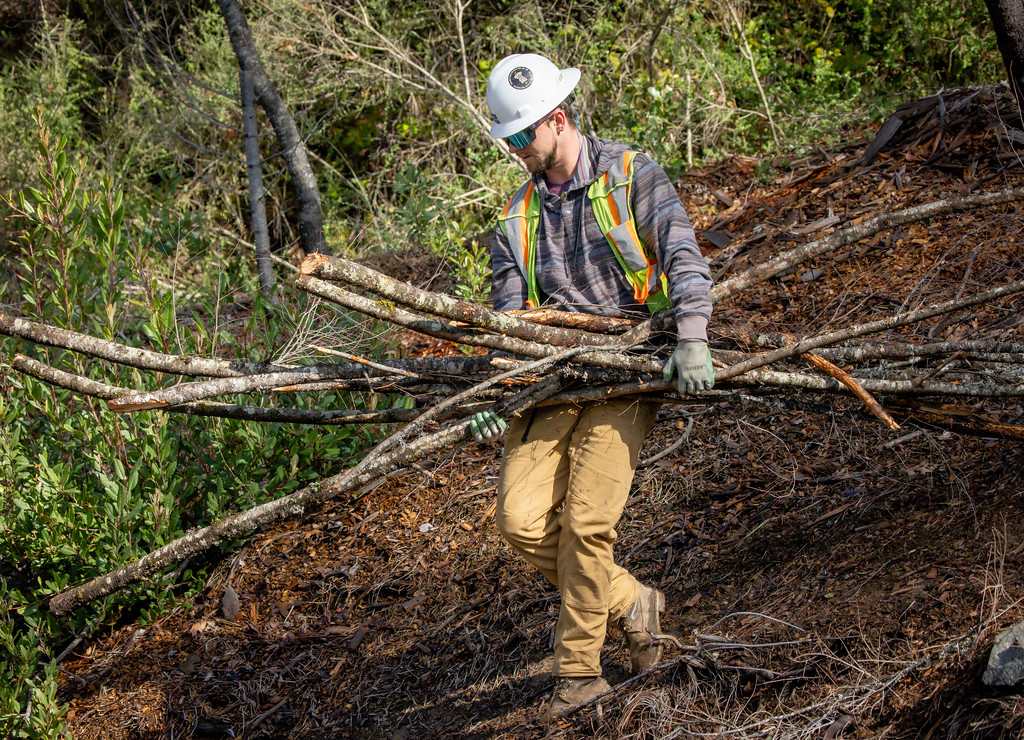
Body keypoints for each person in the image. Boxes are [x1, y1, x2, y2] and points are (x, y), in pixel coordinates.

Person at [468, 52, 714, 721]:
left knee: (585, 524)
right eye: (508, 138)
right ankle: (634, 602)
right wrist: (496, 393)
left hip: (629, 370)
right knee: (518, 520)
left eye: (523, 135)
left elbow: (684, 254)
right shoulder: (514, 223)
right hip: (554, 380)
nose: (516, 148)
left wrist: (691, 334)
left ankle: (577, 675)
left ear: (559, 117)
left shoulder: (632, 174)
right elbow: (508, 324)